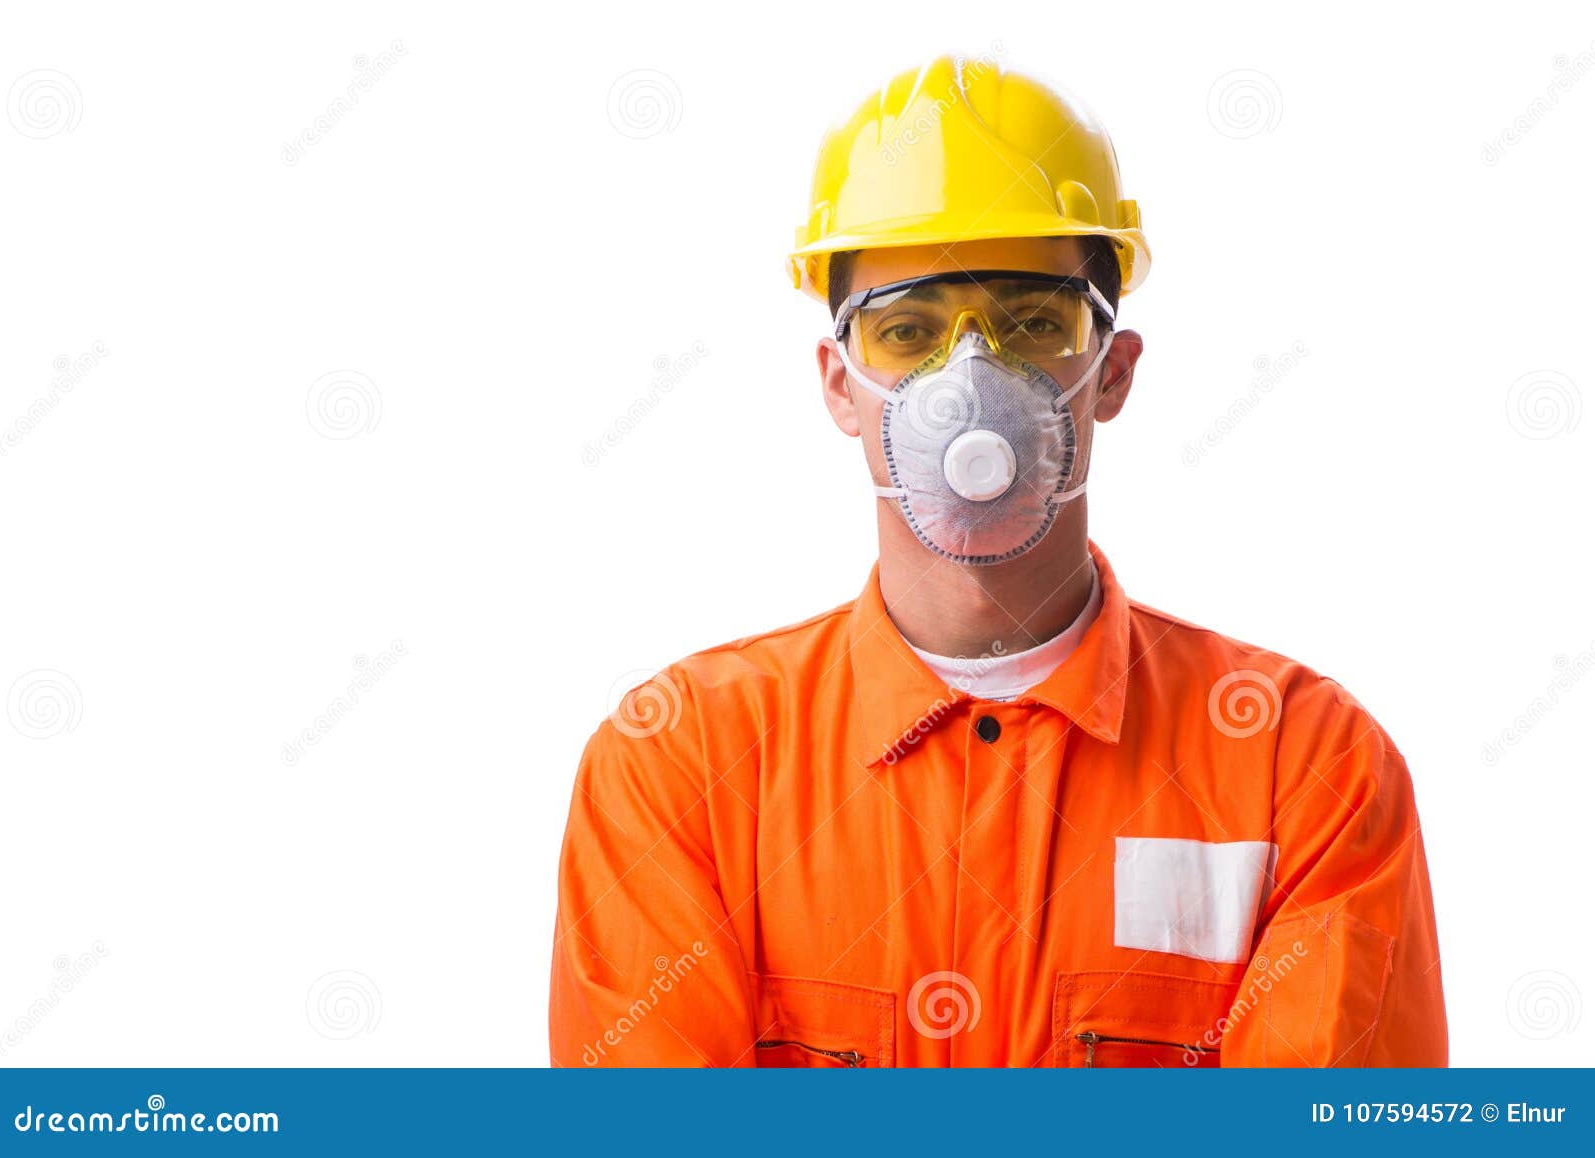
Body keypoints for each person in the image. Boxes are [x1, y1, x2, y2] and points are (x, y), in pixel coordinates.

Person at [550, 54, 1446, 1067]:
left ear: (1111, 370)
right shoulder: (684, 767)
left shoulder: (1302, 769)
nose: (968, 380)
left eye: (1030, 322)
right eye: (908, 331)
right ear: (840, 385)